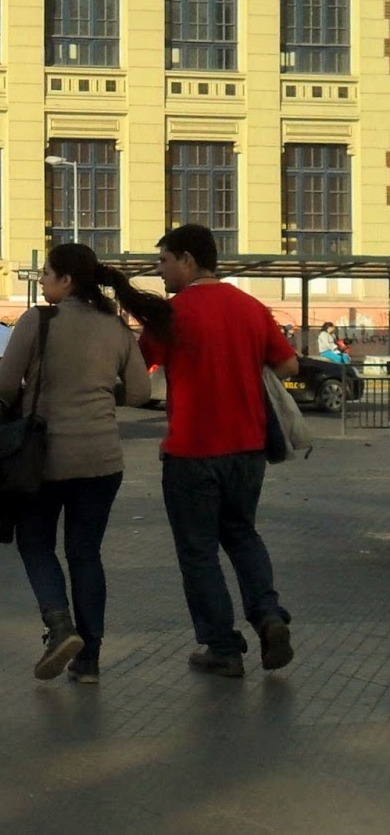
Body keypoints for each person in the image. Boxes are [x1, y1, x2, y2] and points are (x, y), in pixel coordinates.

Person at [124, 224, 299, 678]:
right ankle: (269, 617)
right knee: (242, 535)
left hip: (192, 451)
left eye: (164, 261)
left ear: (187, 259)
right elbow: (287, 363)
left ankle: (222, 647)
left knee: (198, 551)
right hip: (248, 448)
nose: (159, 271)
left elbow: (137, 371)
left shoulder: (172, 313)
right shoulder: (250, 306)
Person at [0, 244, 151, 682]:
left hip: (43, 459)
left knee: (35, 543)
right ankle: (89, 659)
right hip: (102, 459)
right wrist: (97, 392)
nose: (42, 281)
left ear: (66, 280)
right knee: (85, 554)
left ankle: (60, 625)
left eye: (47, 274)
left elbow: (4, 384)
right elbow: (140, 392)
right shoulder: (116, 326)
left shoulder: (39, 320)